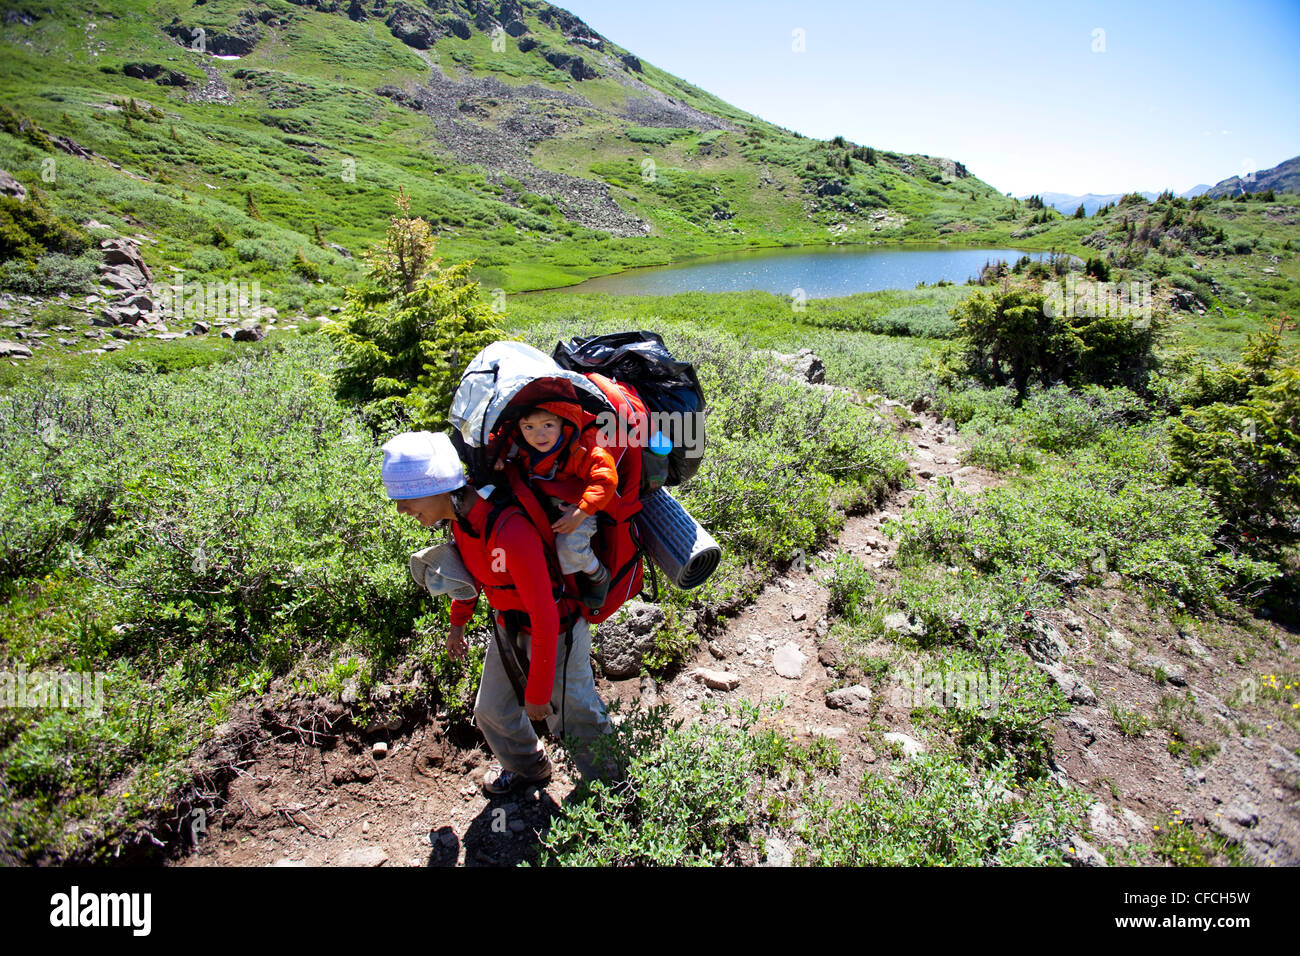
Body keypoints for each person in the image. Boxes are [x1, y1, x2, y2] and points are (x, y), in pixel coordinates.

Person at [381, 430, 611, 796]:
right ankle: (530, 768)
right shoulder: (460, 519)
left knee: (573, 716)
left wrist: (536, 691)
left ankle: (612, 789)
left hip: (557, 626)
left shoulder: (508, 527)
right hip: (508, 624)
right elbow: (472, 574)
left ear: (437, 487)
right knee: (491, 710)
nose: (402, 510)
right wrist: (458, 625)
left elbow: (545, 612)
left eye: (406, 498)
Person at [493, 401, 616, 609]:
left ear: (562, 421)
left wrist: (581, 512)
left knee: (568, 547)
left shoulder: (582, 444)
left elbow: (606, 479)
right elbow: (497, 438)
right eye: (528, 427)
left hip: (576, 505)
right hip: (541, 501)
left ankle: (598, 575)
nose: (538, 436)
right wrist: (495, 455)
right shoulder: (516, 438)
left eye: (548, 425)